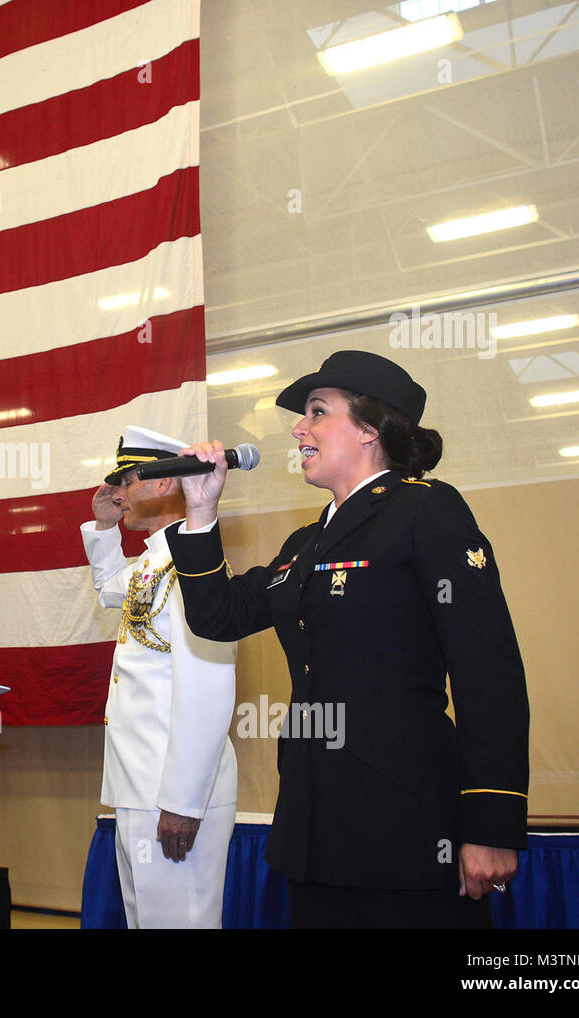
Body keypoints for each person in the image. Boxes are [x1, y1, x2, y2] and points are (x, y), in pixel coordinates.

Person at [166, 350, 529, 928]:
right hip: (314, 832)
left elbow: (489, 672)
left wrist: (491, 824)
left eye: (316, 411)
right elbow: (219, 617)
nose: (297, 427)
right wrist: (203, 511)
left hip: (405, 828)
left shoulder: (426, 511)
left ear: (369, 429)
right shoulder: (306, 543)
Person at [82, 426, 238, 928]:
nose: (118, 493)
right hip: (140, 786)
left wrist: (183, 801)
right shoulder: (155, 560)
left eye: (126, 481)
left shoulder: (197, 567)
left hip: (172, 794)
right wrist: (105, 529)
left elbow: (207, 688)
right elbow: (111, 589)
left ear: (162, 483)